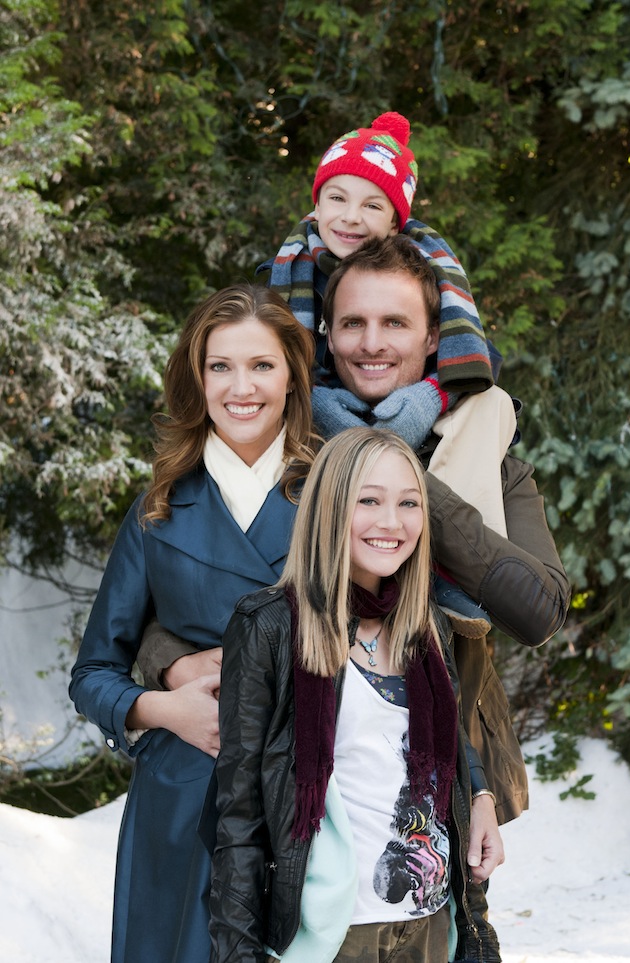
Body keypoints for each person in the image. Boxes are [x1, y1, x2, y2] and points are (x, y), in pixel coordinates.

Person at [138, 237, 570, 960]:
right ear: (325, 339)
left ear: (433, 336)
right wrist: (168, 664)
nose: (372, 343)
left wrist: (396, 472)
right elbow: (188, 591)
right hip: (307, 807)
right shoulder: (278, 443)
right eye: (352, 324)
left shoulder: (483, 451)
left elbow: (540, 610)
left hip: (445, 776)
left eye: (396, 323)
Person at [68, 283, 317, 963]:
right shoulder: (158, 508)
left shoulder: (333, 497)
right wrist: (164, 708)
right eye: (221, 366)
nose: (243, 386)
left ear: (293, 373)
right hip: (181, 800)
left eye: (262, 365)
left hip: (306, 802)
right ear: (197, 377)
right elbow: (92, 673)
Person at [209, 427, 505, 963]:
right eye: (369, 500)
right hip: (332, 936)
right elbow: (239, 814)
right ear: (330, 509)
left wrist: (476, 926)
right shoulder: (271, 629)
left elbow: (446, 791)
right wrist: (236, 952)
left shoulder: (426, 629)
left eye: (408, 503)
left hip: (429, 925)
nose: (391, 522)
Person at [260, 110, 519, 627]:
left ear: (396, 222)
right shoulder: (287, 271)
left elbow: (474, 354)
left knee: (491, 404)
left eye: (371, 204)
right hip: (317, 411)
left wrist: (431, 396)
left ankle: (454, 570)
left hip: (420, 414)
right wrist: (315, 403)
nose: (350, 217)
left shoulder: (426, 267)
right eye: (336, 198)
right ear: (315, 204)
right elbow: (266, 359)